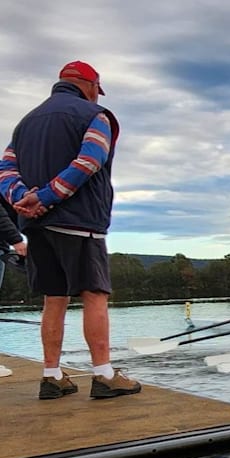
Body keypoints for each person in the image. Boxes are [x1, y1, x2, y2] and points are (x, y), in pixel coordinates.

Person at [0, 60, 141, 399]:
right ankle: (104, 375)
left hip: (35, 225)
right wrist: (46, 198)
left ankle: (51, 375)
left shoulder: (25, 123)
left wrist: (24, 200)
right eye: (96, 90)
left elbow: (4, 169)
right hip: (79, 220)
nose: (97, 96)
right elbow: (90, 160)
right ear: (89, 86)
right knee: (94, 293)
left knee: (54, 297)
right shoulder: (96, 116)